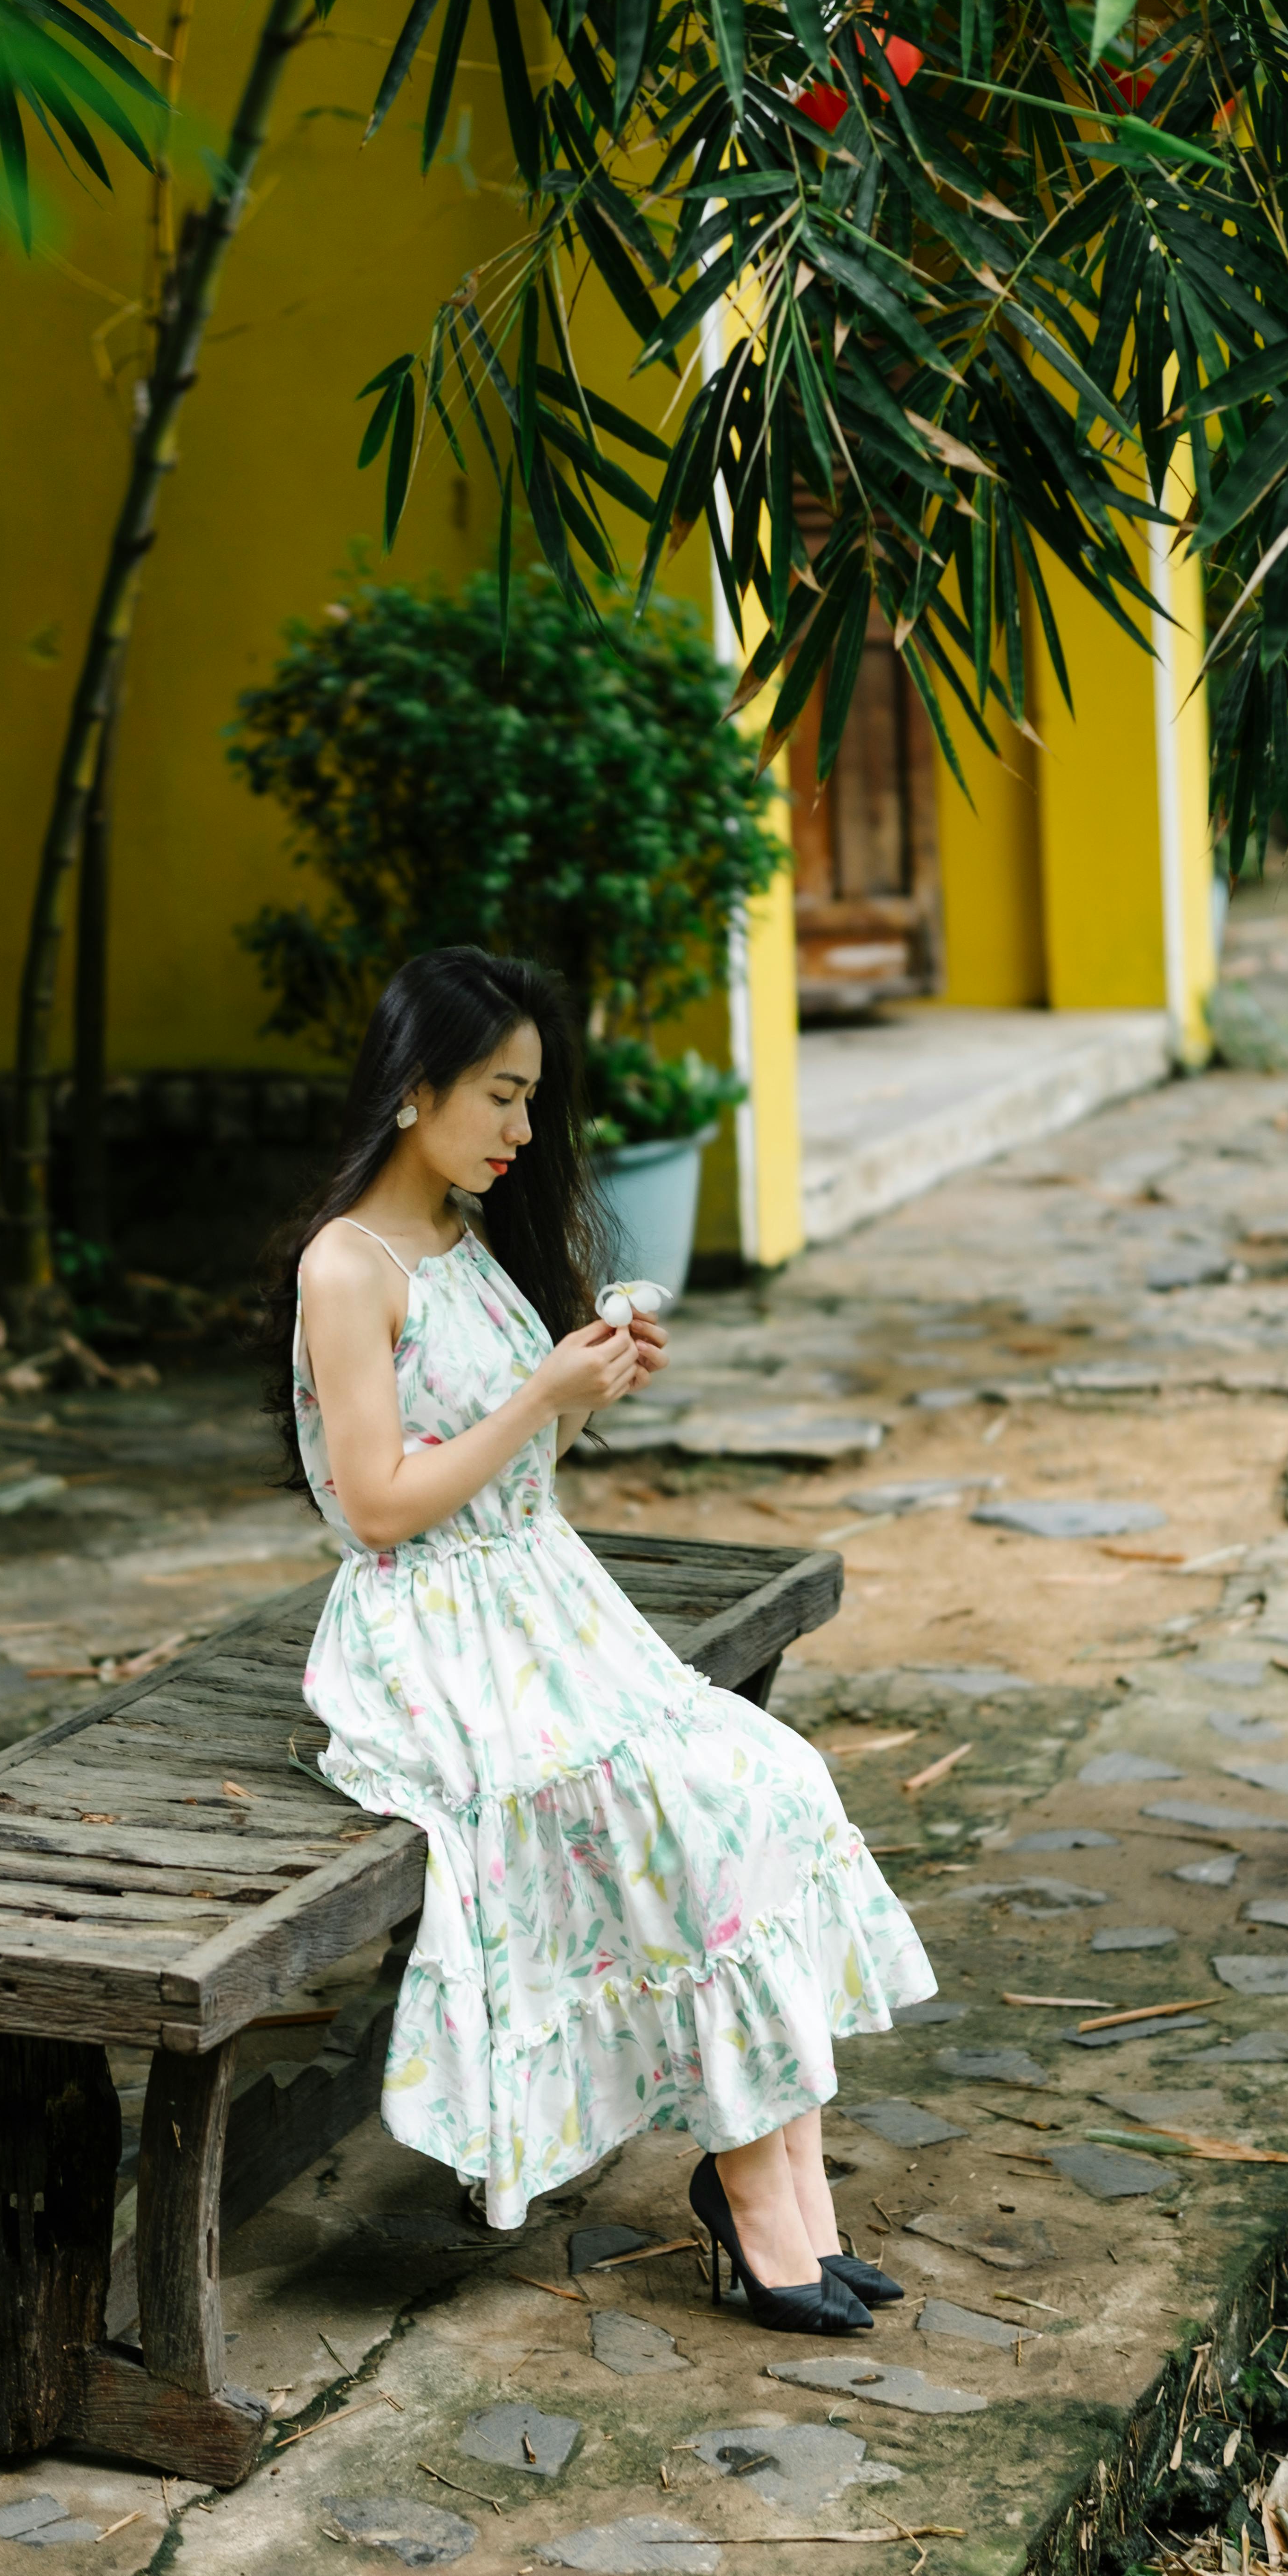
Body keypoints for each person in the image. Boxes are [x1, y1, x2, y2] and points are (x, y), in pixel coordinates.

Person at [263, 946, 937, 2335]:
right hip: (433, 1632)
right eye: (501, 1097)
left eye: (530, 1101)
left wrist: (586, 1384)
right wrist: (536, 1399)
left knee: (768, 1778)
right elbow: (383, 1506)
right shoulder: (350, 1264)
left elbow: (514, 1471)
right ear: (413, 1091)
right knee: (679, 1809)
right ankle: (759, 2207)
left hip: (539, 1600)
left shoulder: (461, 1238)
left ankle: (791, 2189)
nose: (522, 1131)